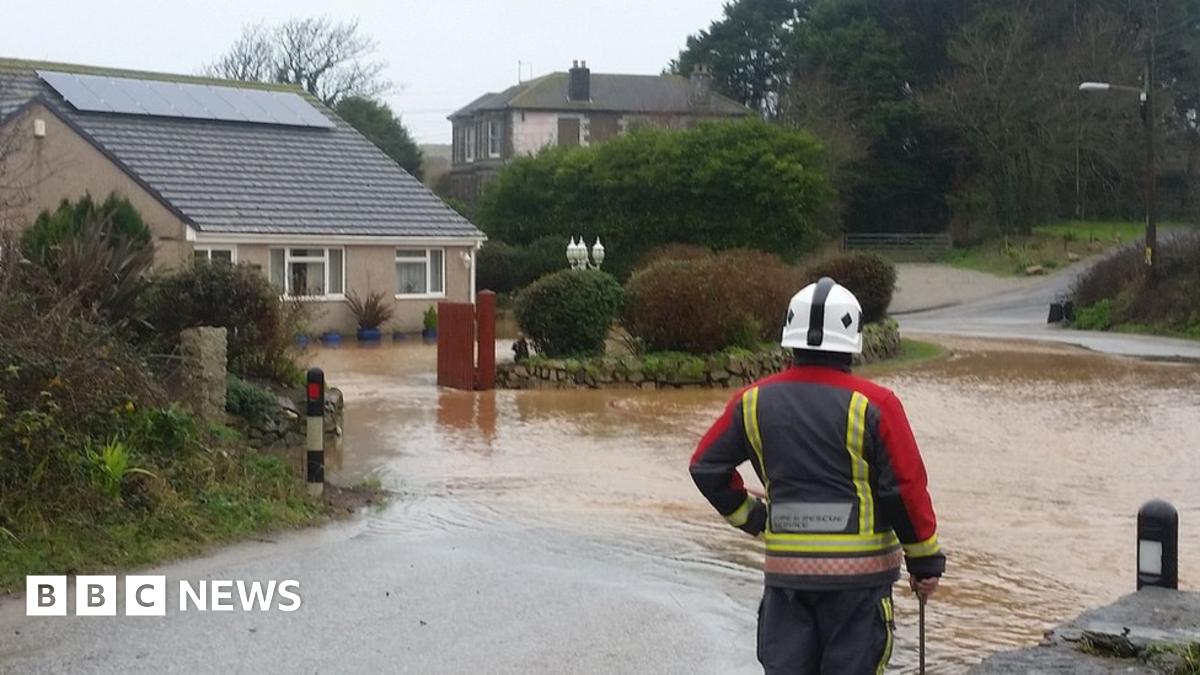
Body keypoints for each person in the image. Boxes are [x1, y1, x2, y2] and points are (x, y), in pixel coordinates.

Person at [689, 277, 944, 674]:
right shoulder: (875, 405)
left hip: (787, 582)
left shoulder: (751, 402)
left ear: (790, 338)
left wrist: (755, 518)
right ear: (852, 339)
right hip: (859, 588)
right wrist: (925, 562)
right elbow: (904, 489)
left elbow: (706, 468)